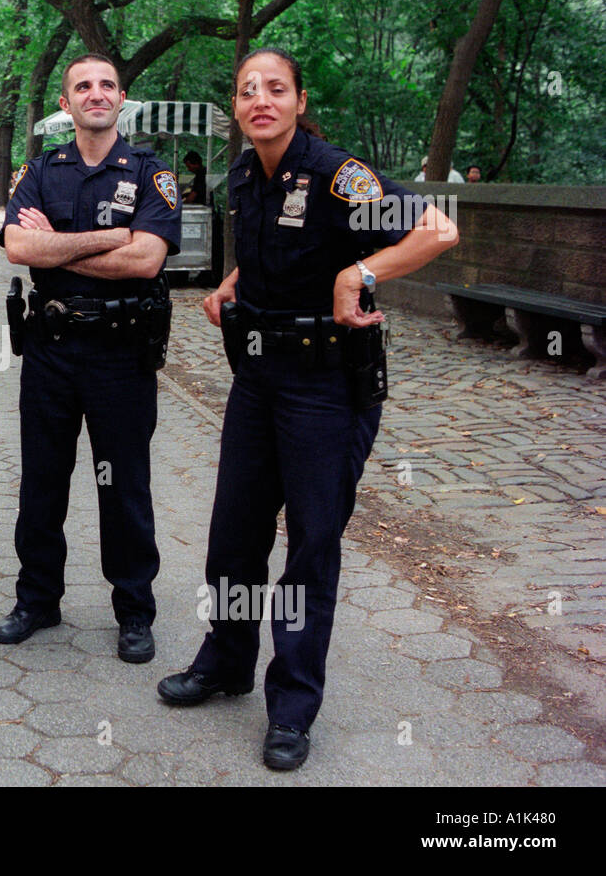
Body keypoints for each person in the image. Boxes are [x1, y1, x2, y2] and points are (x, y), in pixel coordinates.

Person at [156, 47, 458, 770]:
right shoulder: (242, 170)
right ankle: (226, 663)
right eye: (246, 90)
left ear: (298, 100)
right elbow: (280, 248)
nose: (260, 99)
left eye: (275, 89)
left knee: (310, 549)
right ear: (236, 106)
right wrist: (233, 281)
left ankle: (291, 706)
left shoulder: (336, 174)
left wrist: (361, 272)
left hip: (323, 387)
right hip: (257, 380)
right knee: (233, 534)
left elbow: (437, 231)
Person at [0, 53, 181, 664]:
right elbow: (19, 247)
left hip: (122, 355)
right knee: (42, 482)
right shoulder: (42, 170)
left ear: (120, 97)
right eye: (82, 87)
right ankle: (37, 600)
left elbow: (146, 261)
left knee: (124, 485)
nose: (95, 94)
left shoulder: (153, 172)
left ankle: (133, 610)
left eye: (105, 85)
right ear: (65, 103)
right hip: (50, 350)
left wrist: (57, 247)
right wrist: (111, 237)